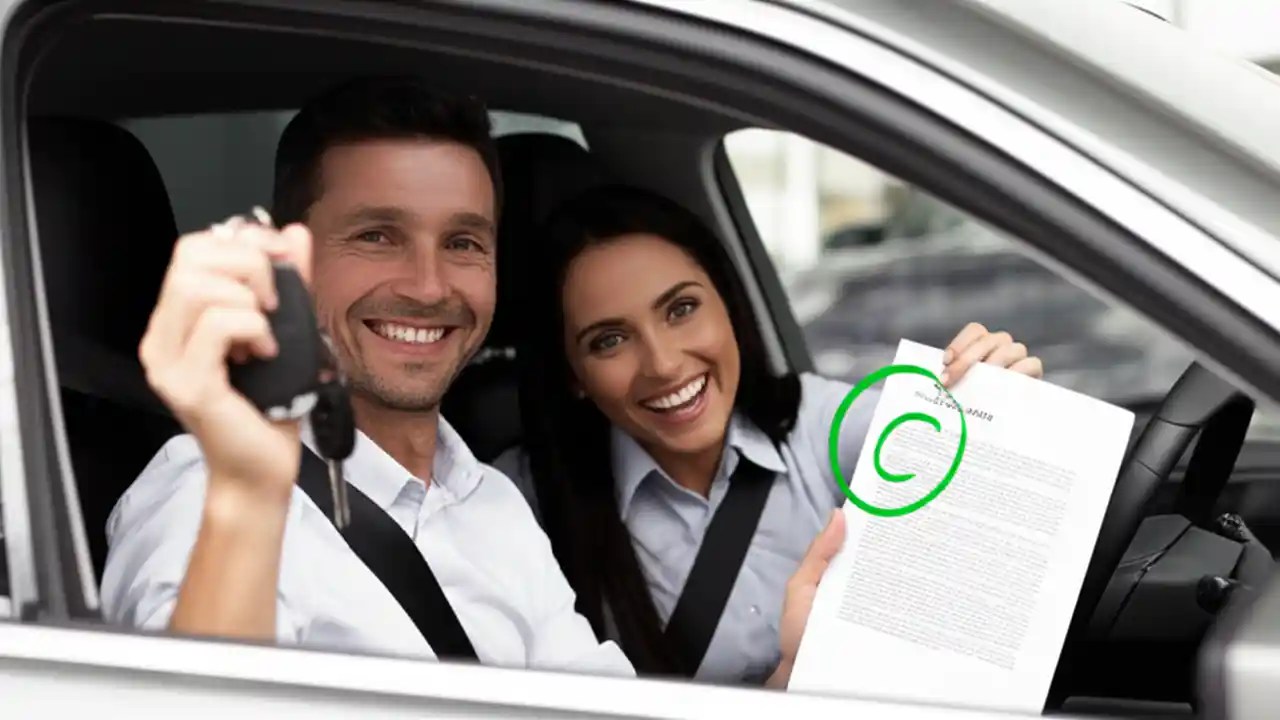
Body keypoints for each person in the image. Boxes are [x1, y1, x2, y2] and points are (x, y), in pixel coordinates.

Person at [99, 77, 837, 688]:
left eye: (462, 242)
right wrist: (246, 496)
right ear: (292, 262)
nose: (428, 287)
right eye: (377, 235)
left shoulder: (490, 503)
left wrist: (796, 671)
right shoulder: (207, 495)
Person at [494, 184, 1045, 684]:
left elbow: (987, 491)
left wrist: (994, 403)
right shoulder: (518, 503)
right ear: (573, 376)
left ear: (729, 306)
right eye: (609, 341)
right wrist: (792, 674)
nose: (662, 364)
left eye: (681, 309)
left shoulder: (814, 423)